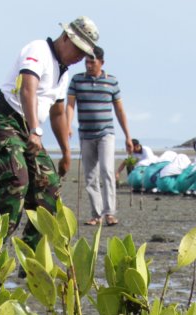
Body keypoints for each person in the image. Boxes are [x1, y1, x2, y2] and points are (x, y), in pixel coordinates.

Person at [0, 16, 99, 249]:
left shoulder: (63, 73)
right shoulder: (39, 49)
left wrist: (66, 152)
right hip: (3, 120)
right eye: (78, 50)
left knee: (49, 188)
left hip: (29, 129)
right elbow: (27, 89)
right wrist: (35, 129)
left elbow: (57, 114)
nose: (79, 58)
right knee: (17, 182)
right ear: (66, 37)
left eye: (84, 54)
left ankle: (31, 260)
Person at [66, 45, 133, 226]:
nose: (88, 65)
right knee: (90, 176)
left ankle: (110, 213)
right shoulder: (77, 80)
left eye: (92, 62)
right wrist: (67, 125)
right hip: (85, 134)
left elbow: (119, 110)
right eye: (86, 62)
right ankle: (96, 214)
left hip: (106, 133)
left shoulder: (111, 81)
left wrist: (127, 136)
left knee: (107, 171)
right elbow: (70, 105)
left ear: (101, 62)